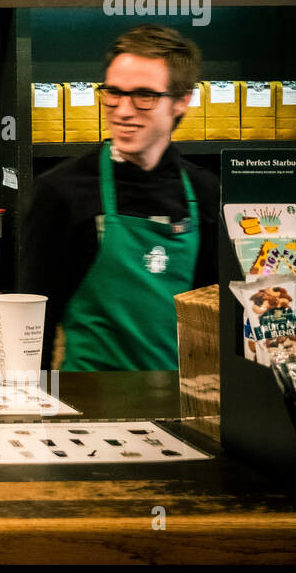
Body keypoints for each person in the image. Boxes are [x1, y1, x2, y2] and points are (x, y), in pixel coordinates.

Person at [21, 24, 219, 372]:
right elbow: (34, 325)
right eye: (113, 93)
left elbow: (218, 317)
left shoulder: (206, 194)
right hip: (87, 409)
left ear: (182, 100)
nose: (123, 111)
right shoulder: (61, 191)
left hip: (183, 403)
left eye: (144, 95)